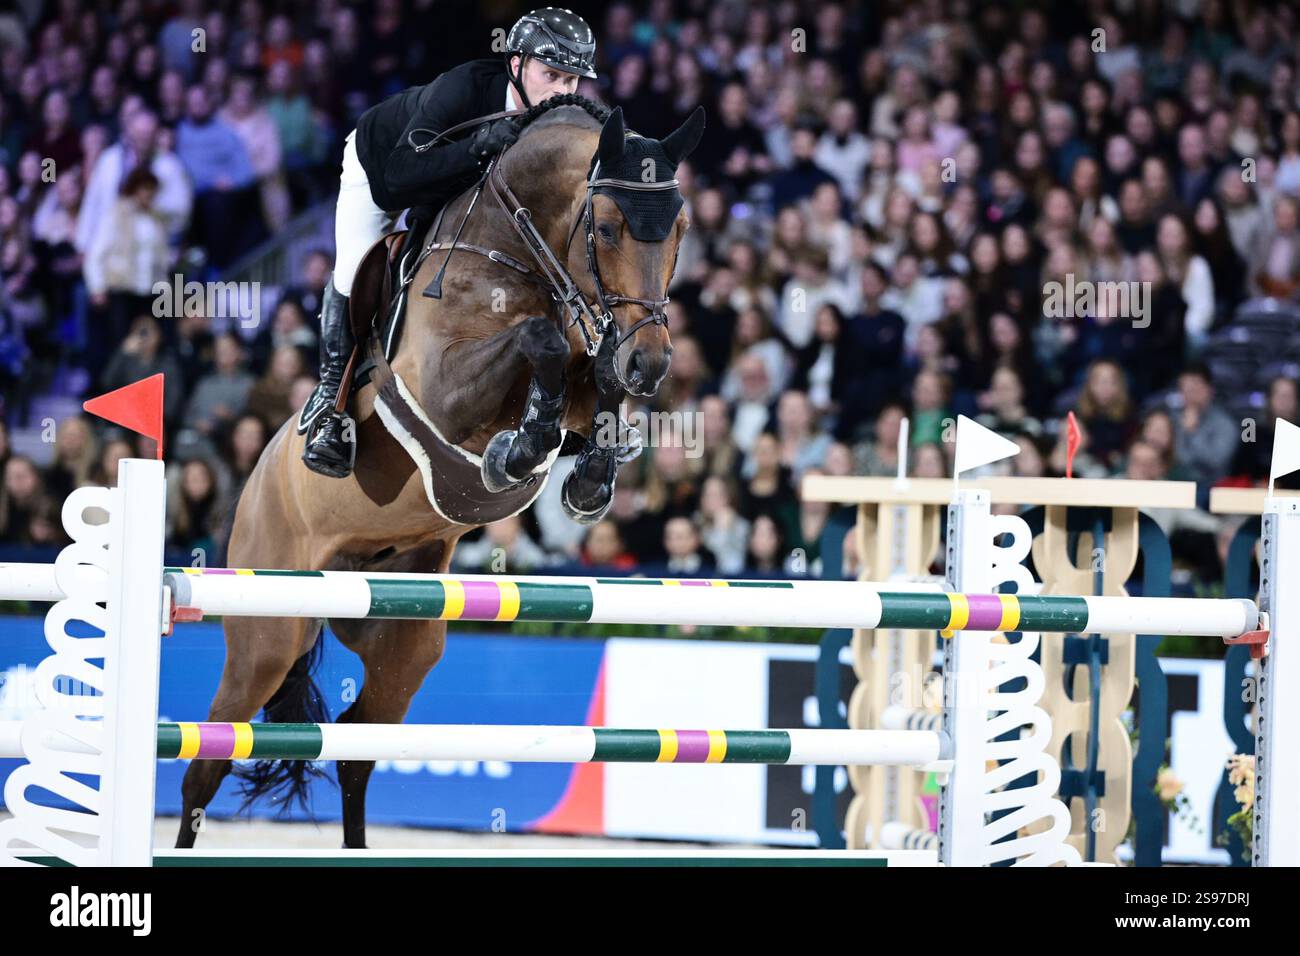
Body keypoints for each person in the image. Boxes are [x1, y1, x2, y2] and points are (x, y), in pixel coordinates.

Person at [299, 8, 598, 479]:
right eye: (552, 75)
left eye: (572, 81)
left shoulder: (558, 122)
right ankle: (330, 406)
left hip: (456, 190)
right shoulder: (462, 87)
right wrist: (481, 143)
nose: (561, 92)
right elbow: (400, 181)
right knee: (355, 267)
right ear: (516, 66)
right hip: (381, 168)